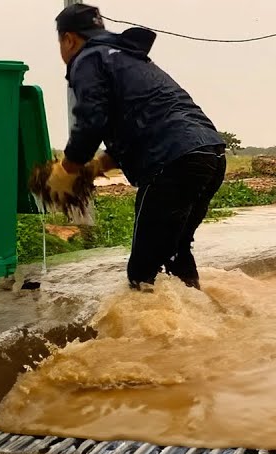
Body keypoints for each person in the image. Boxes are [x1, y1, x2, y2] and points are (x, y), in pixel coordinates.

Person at [52, 3, 226, 292]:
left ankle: (156, 332)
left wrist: (67, 168)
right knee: (175, 252)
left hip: (173, 162)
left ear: (69, 39)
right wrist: (92, 169)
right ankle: (208, 323)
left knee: (142, 270)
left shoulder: (88, 58)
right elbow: (137, 133)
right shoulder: (130, 58)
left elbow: (91, 122)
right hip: (210, 155)